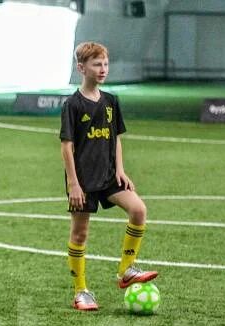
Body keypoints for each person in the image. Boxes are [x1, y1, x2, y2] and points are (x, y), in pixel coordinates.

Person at [59, 42, 158, 311]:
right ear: (82, 68)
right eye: (96, 64)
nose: (103, 69)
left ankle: (126, 270)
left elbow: (116, 139)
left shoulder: (111, 101)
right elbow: (67, 146)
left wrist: (120, 170)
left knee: (138, 209)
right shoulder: (72, 104)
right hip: (83, 181)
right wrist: (73, 184)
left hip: (110, 175)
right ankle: (81, 291)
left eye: (105, 64)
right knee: (80, 234)